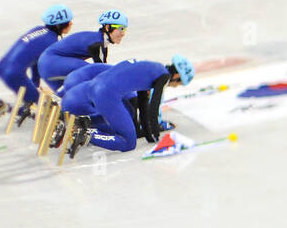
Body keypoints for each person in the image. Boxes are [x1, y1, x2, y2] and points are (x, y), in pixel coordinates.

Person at [59, 55, 195, 155]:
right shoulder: (164, 76)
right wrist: (157, 136)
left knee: (125, 122)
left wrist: (149, 135)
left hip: (94, 87)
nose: (176, 86)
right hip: (107, 94)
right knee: (128, 143)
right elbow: (154, 106)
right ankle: (86, 134)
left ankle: (86, 123)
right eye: (179, 83)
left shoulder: (152, 67)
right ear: (176, 75)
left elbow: (143, 104)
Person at [0, 6, 75, 125]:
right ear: (59, 25)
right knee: (44, 105)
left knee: (32, 98)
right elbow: (40, 66)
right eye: (69, 23)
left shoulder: (38, 30)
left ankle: (9, 106)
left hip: (2, 66)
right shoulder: (53, 42)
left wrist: (34, 86)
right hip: (14, 74)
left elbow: (34, 59)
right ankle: (6, 107)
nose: (71, 24)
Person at [38, 10, 128, 92]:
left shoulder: (99, 42)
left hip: (48, 64)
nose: (123, 33)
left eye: (124, 29)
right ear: (108, 27)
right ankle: (58, 97)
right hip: (51, 62)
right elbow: (101, 72)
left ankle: (58, 97)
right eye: (120, 28)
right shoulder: (97, 44)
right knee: (90, 73)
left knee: (88, 76)